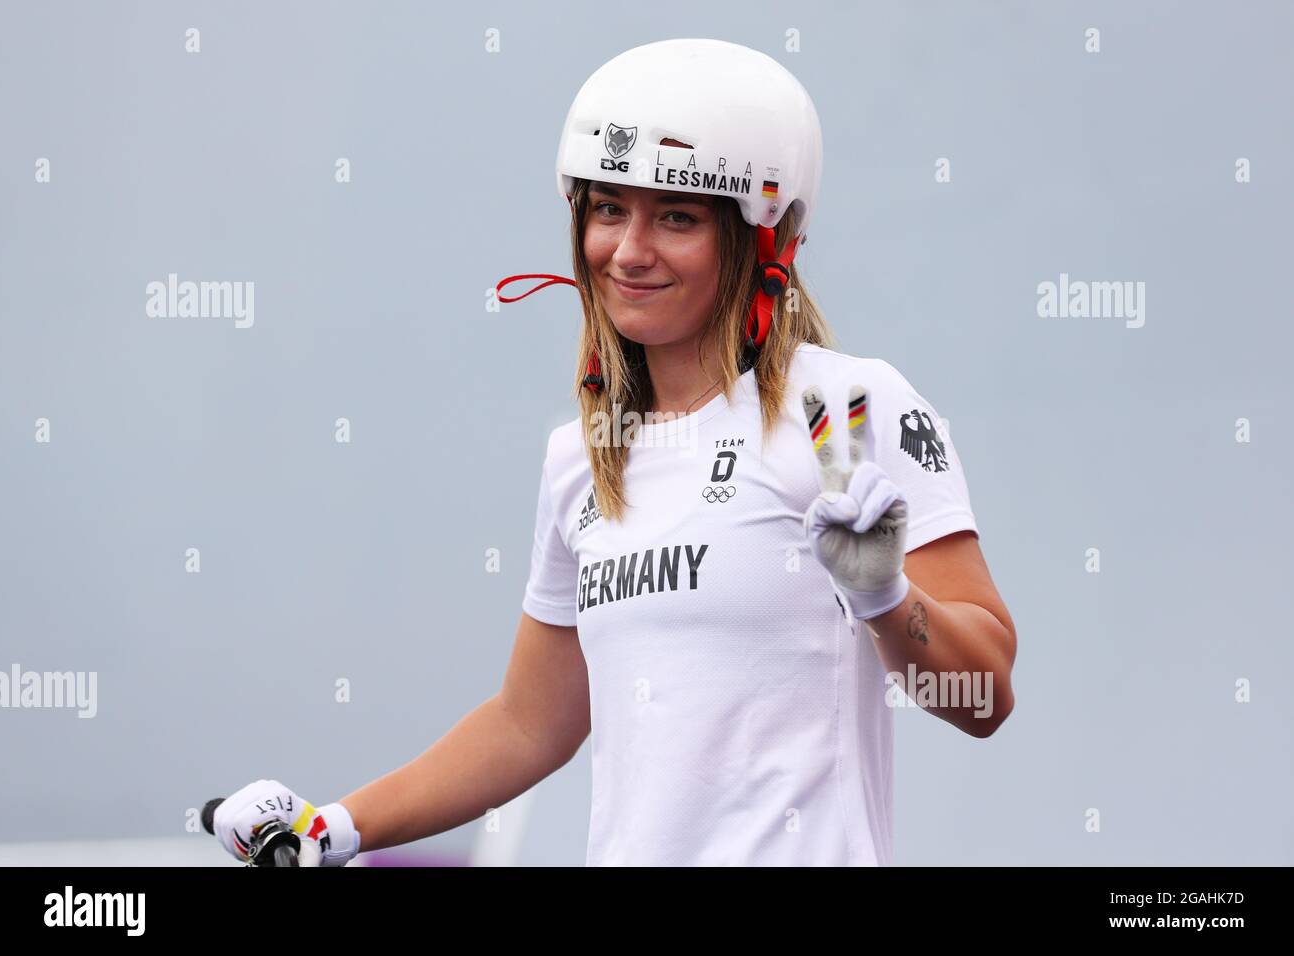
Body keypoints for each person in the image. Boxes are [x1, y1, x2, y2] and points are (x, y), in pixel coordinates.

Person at [211, 37, 1016, 868]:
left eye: (676, 216)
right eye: (606, 209)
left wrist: (886, 600)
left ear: (763, 240)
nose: (628, 251)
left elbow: (986, 696)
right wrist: (332, 827)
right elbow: (528, 724)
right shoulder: (580, 457)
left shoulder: (842, 411)